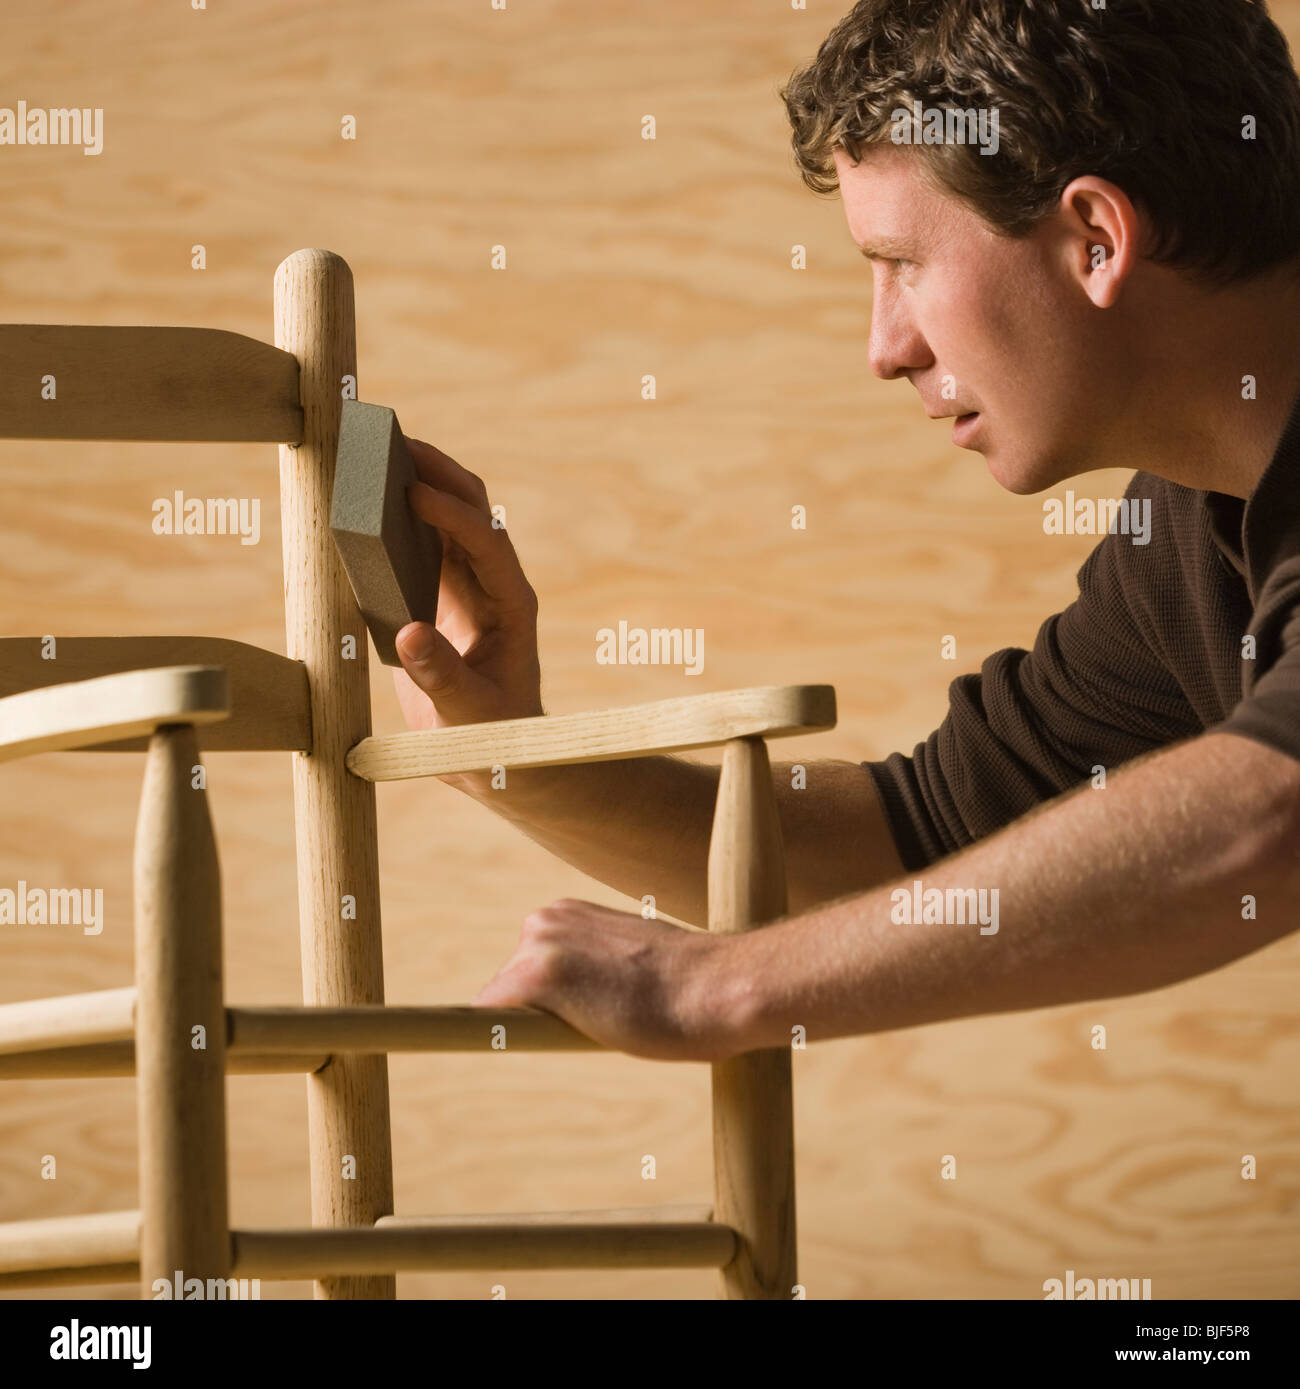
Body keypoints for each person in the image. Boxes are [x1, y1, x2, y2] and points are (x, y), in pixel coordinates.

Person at [389, 0, 1300, 1064]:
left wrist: (715, 988)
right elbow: (930, 846)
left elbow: (1273, 814)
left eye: (901, 262)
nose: (884, 348)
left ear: (1095, 238)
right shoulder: (1191, 529)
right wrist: (513, 761)